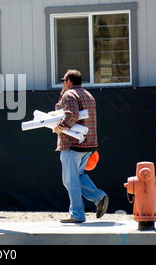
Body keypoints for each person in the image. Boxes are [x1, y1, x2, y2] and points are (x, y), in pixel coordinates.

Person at [53, 69, 109, 223]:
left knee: (70, 181)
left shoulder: (69, 94)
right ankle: (99, 197)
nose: (62, 83)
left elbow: (71, 115)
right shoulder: (88, 95)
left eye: (63, 80)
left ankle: (77, 214)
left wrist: (60, 127)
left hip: (72, 145)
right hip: (88, 145)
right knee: (77, 177)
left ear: (69, 81)